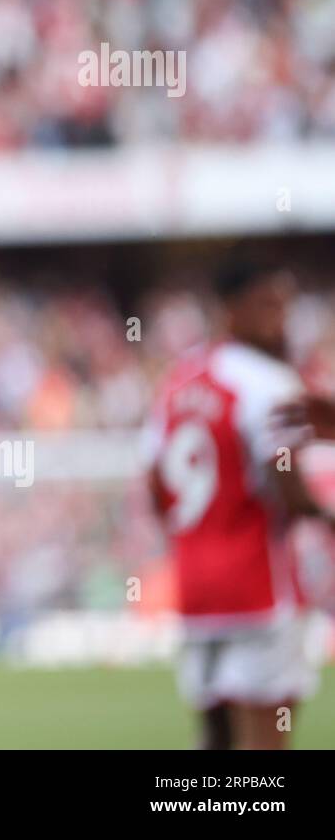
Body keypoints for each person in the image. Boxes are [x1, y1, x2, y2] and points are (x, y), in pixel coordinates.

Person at [144, 256, 335, 750]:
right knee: (265, 744)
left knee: (215, 737)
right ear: (232, 309)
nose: (280, 319)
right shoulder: (269, 382)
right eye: (268, 305)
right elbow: (288, 486)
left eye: (285, 307)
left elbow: (154, 487)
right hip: (258, 586)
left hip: (196, 587)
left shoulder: (177, 382)